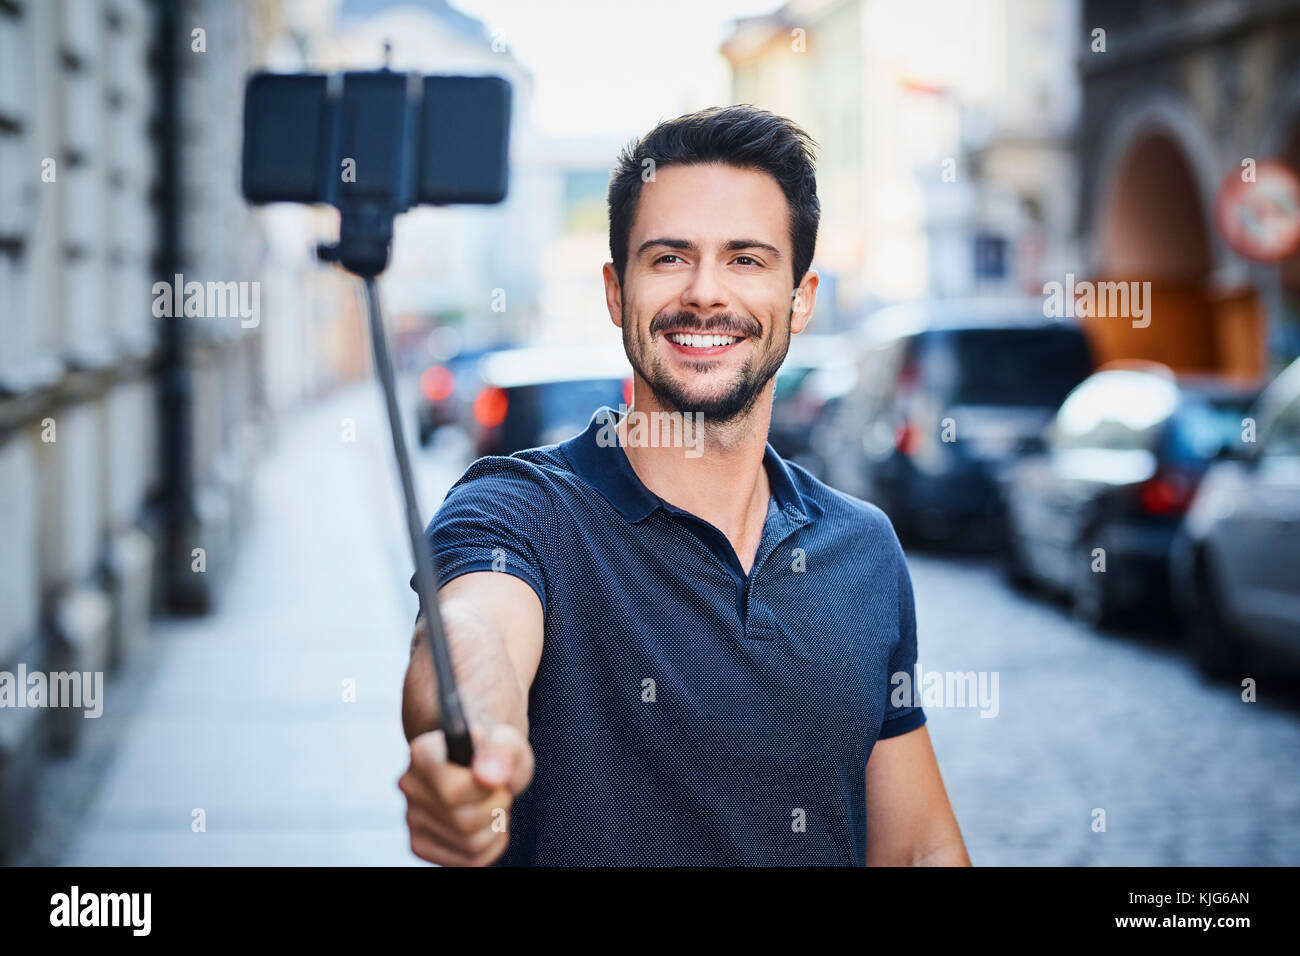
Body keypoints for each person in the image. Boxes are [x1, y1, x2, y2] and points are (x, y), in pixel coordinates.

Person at [398, 105, 970, 866]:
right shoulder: (519, 512)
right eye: (669, 257)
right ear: (615, 291)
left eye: (747, 259)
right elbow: (472, 631)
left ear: (800, 297)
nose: (705, 293)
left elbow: (917, 847)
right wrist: (475, 738)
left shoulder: (864, 548)